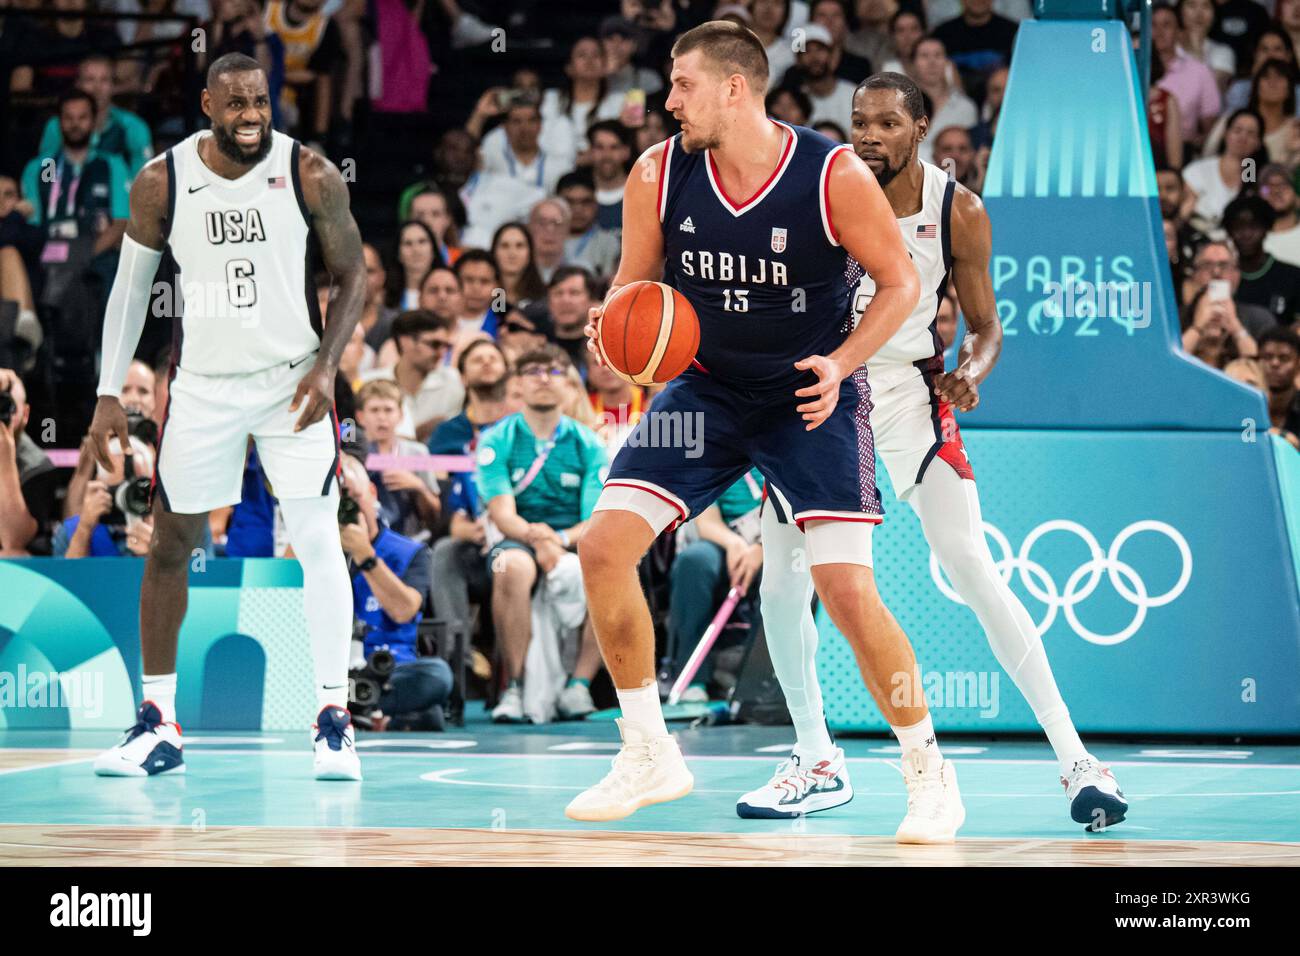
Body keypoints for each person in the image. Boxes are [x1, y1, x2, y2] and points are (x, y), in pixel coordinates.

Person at [570, 22, 964, 844]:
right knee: (604, 544)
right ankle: (648, 749)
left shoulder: (832, 175)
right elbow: (634, 286)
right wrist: (616, 331)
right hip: (707, 391)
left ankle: (928, 771)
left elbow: (898, 284)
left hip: (809, 395)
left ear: (733, 89)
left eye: (681, 85)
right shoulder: (658, 172)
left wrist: (843, 361)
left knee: (846, 591)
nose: (667, 101)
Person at [750, 71, 1129, 829]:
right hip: (824, 398)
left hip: (912, 399)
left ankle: (1079, 761)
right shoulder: (820, 194)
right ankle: (817, 757)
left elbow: (986, 326)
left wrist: (970, 372)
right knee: (783, 581)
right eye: (861, 121)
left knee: (973, 567)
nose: (870, 135)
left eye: (888, 123)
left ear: (921, 126)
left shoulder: (959, 212)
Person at [88, 53, 368, 780]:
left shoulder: (310, 174)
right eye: (237, 103)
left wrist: (329, 361)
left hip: (292, 383)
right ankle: (157, 721)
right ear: (209, 102)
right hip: (204, 387)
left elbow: (353, 273)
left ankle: (334, 719)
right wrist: (108, 393)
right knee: (171, 545)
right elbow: (128, 291)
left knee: (317, 539)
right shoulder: (162, 180)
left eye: (262, 102)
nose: (252, 116)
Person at [476, 345, 608, 723]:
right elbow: (502, 513)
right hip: (519, 538)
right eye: (533, 371)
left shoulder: (588, 443)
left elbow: (595, 518)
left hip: (573, 538)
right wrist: (540, 540)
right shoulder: (497, 440)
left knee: (614, 568)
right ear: (517, 383)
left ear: (569, 384)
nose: (544, 379)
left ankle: (578, 687)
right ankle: (513, 688)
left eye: (553, 371)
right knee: (510, 567)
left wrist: (561, 541)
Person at [339, 455, 453, 731]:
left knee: (436, 675)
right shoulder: (313, 548)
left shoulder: (408, 551)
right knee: (428, 715)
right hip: (330, 668)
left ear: (372, 493)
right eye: (339, 500)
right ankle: (374, 711)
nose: (347, 507)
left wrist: (365, 556)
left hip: (386, 669)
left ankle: (361, 708)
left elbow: (404, 611)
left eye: (353, 497)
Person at [666, 468, 764, 702]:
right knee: (693, 562)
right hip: (727, 544)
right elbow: (707, 522)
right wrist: (735, 544)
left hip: (777, 545)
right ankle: (693, 678)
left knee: (782, 573)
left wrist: (762, 548)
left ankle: (761, 681)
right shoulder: (714, 455)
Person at [38, 55, 154, 177]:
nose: (97, 88)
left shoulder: (133, 127)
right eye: (89, 80)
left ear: (113, 86)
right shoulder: (56, 125)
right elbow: (47, 174)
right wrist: (49, 192)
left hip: (119, 194)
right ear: (78, 84)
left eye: (104, 80)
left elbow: (143, 179)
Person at [360, 310, 464, 442]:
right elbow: (350, 434)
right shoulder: (367, 383)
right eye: (435, 345)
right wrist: (418, 433)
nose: (441, 353)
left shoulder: (453, 382)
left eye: (446, 346)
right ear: (405, 342)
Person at [356, 379, 440, 537]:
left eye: (388, 410)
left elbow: (434, 515)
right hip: (364, 537)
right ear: (360, 417)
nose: (382, 417)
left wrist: (418, 486)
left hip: (411, 539)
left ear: (400, 415)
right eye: (374, 410)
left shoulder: (417, 453)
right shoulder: (352, 455)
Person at [0, 368, 57, 556]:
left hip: (10, 566)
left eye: (6, 406)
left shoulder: (37, 465)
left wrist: (5, 461)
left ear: (24, 414)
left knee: (15, 554)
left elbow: (14, 539)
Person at [1223, 194, 1300, 328]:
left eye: (1253, 227)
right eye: (1238, 227)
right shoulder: (1222, 276)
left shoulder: (1292, 276)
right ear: (1229, 232)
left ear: (1266, 229)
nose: (1246, 234)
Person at [558, 170, 621, 280]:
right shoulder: (544, 240)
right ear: (556, 203)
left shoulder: (610, 243)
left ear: (596, 204)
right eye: (570, 202)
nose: (578, 209)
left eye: (585, 202)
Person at [794, 23, 859, 126]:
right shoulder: (794, 102)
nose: (814, 57)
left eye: (820, 50)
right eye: (806, 51)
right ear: (798, 61)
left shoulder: (854, 95)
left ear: (833, 56)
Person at [1260, 325, 1300, 440]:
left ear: (1298, 364)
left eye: (1284, 358)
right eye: (1267, 357)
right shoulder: (1247, 406)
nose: (1275, 364)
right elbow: (1244, 444)